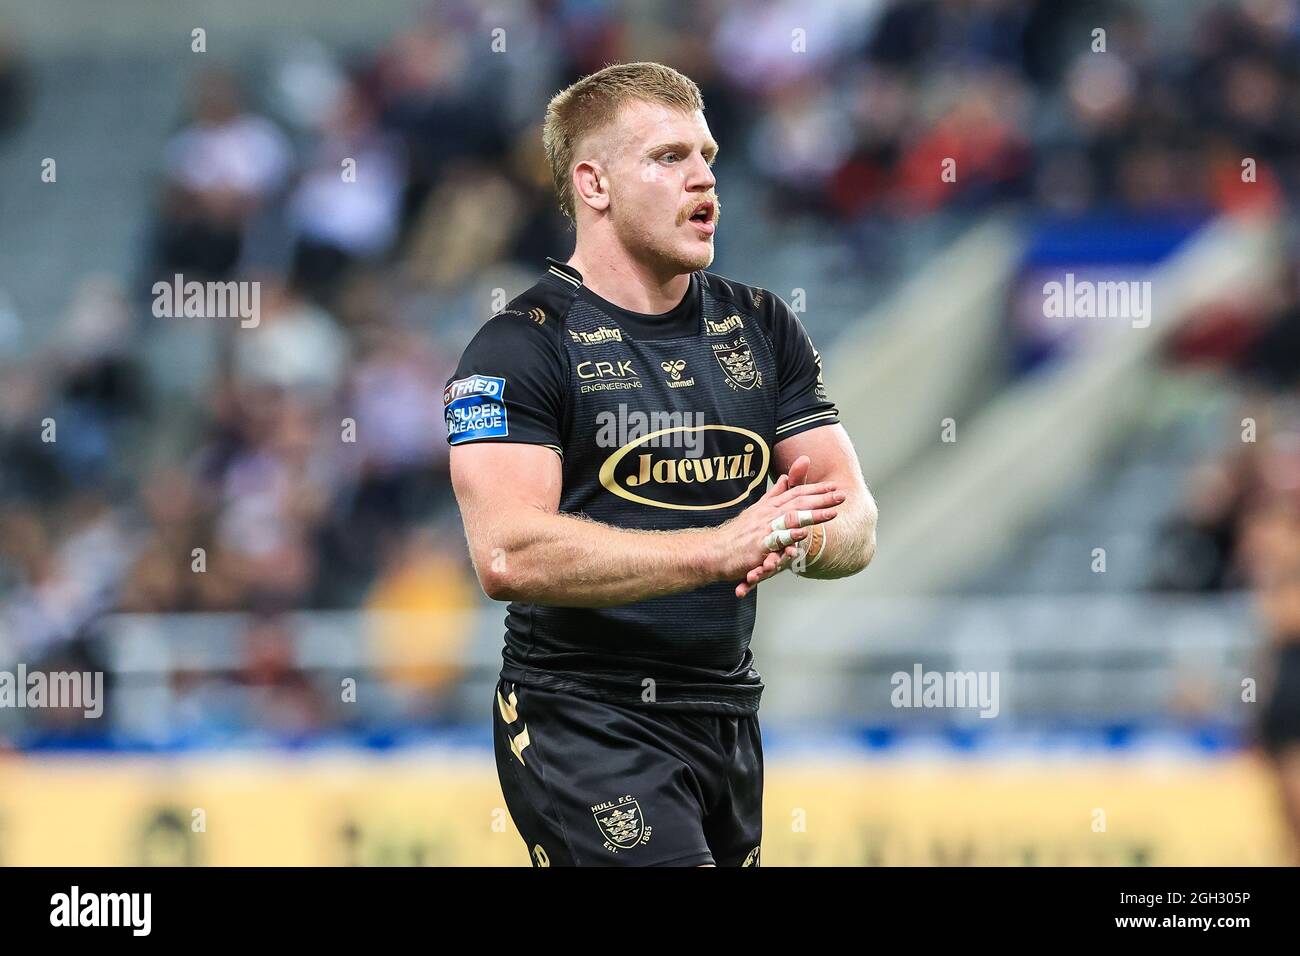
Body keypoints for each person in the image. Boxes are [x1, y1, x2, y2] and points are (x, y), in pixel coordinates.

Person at [443, 62, 877, 867]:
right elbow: (506, 551)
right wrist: (716, 550)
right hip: (583, 717)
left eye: (708, 155)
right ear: (594, 184)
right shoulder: (519, 345)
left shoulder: (762, 325)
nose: (705, 178)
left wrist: (797, 538)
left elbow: (853, 514)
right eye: (669, 157)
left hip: (727, 712)